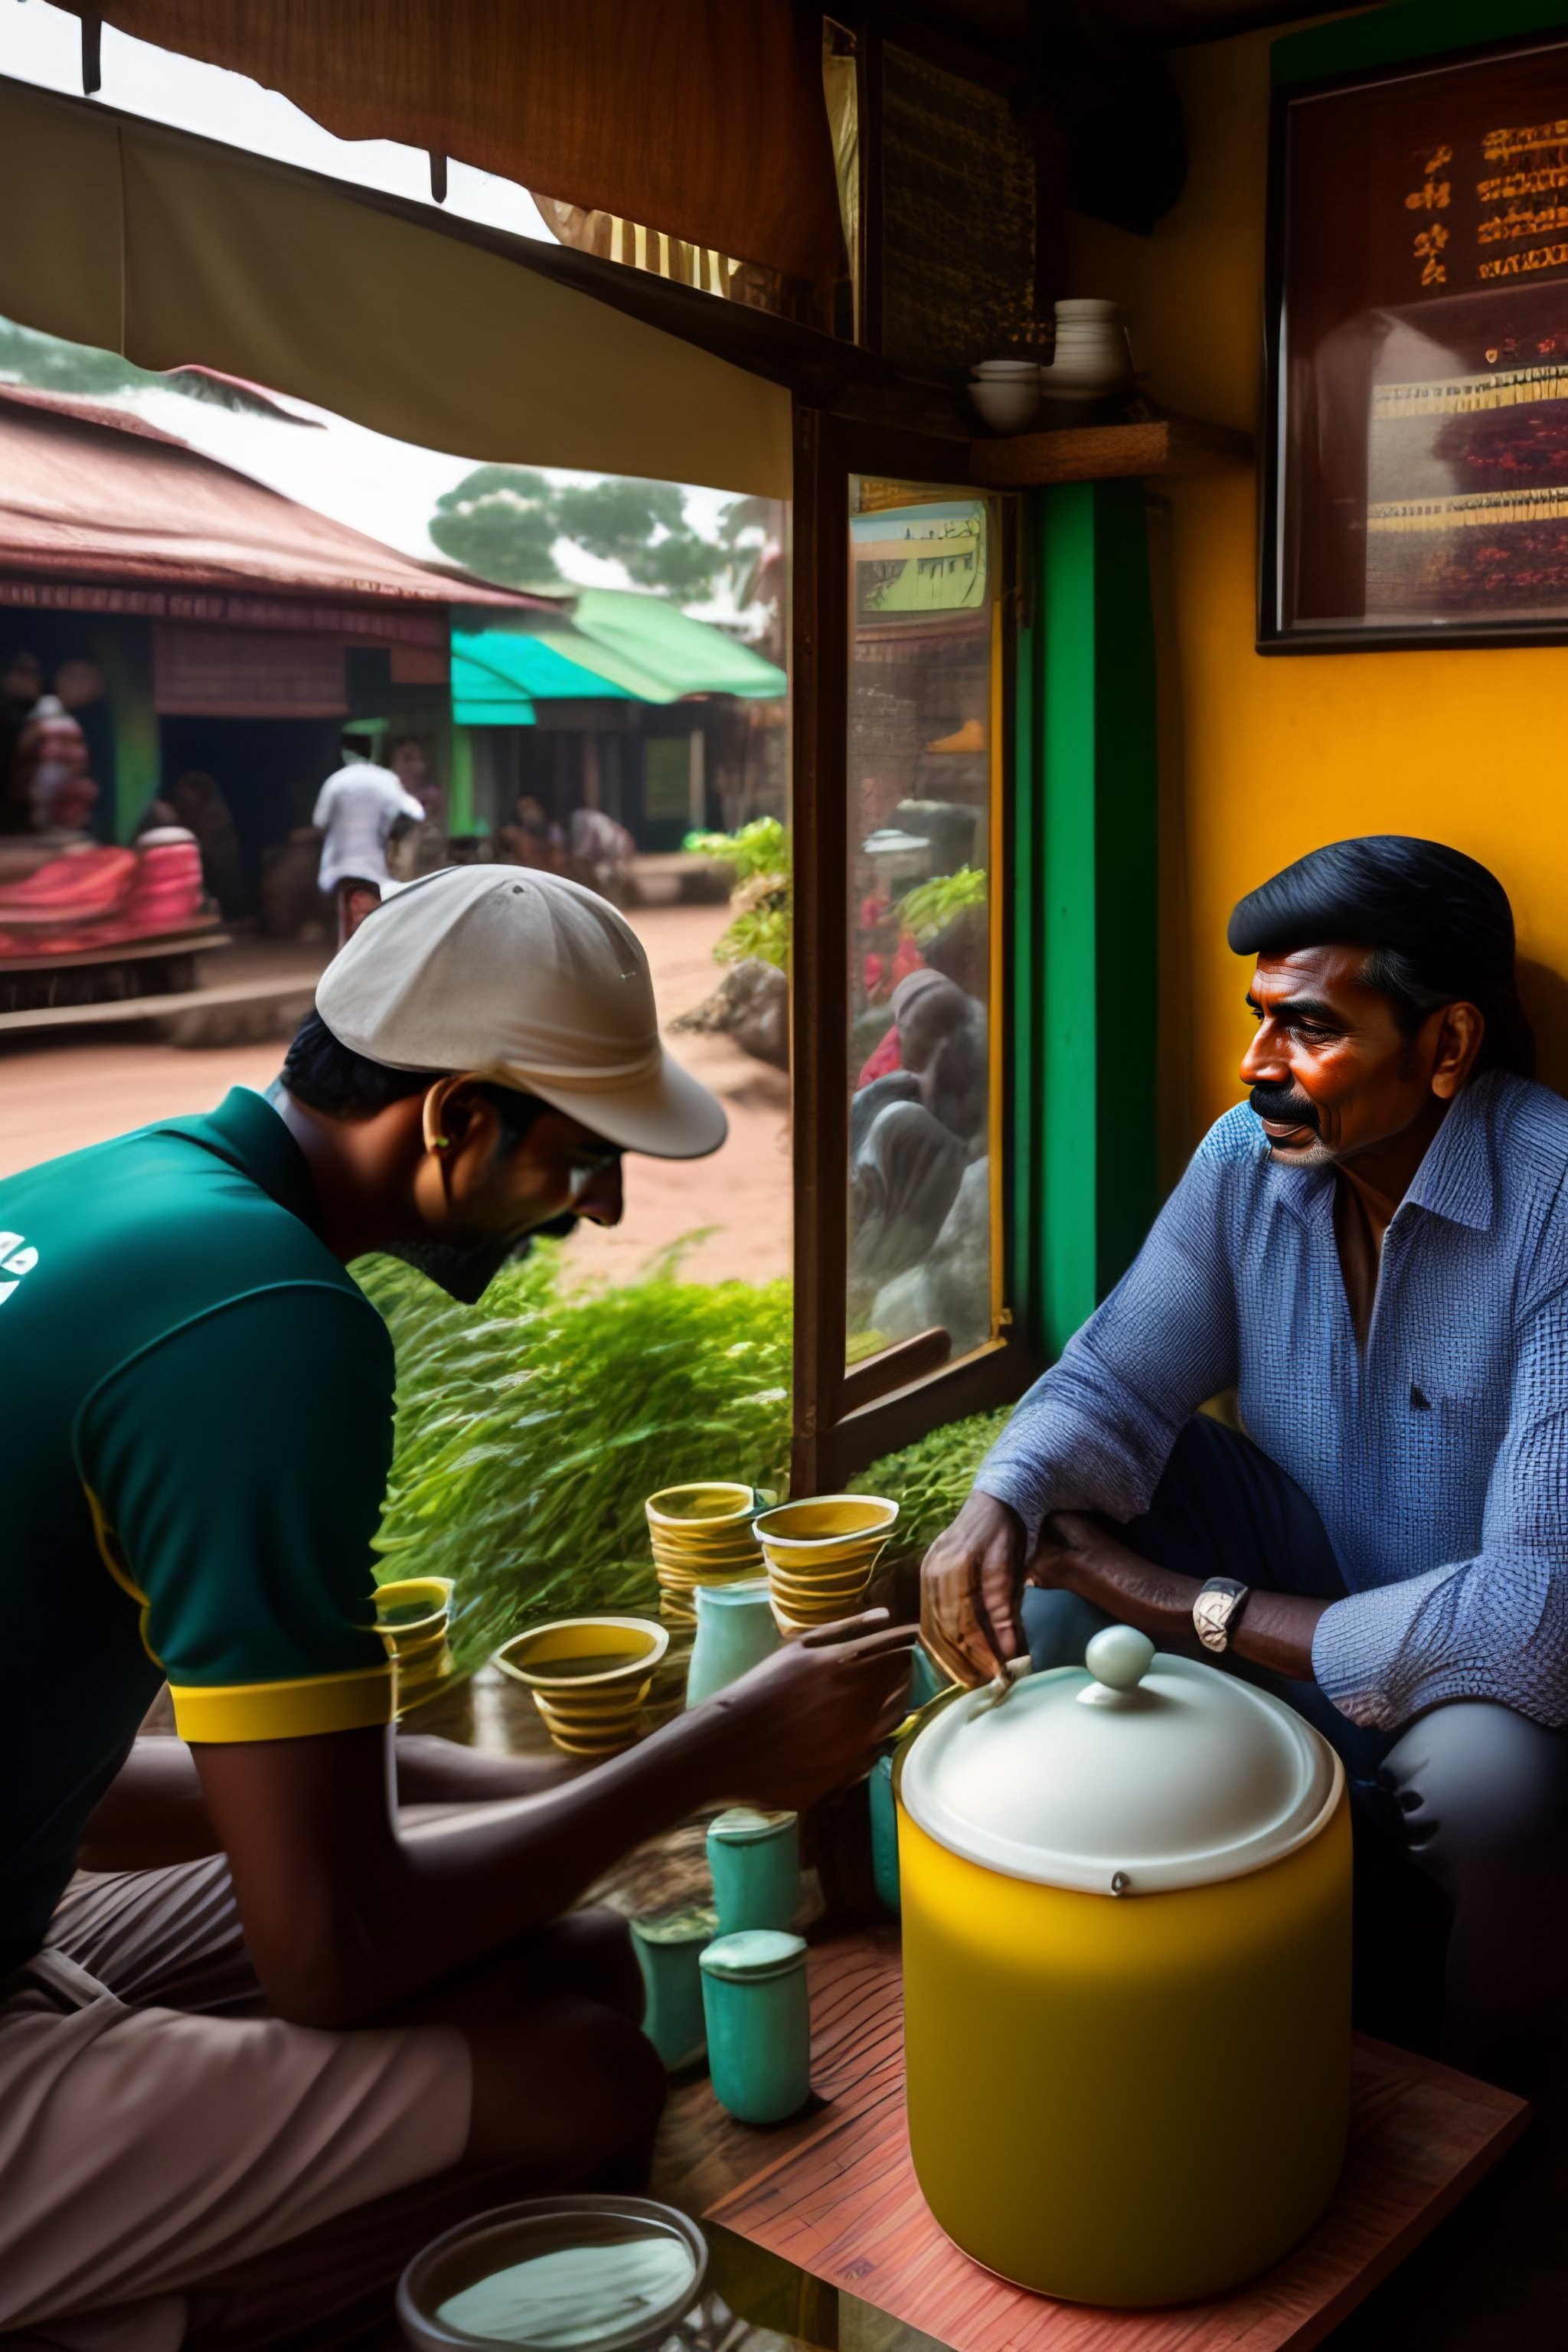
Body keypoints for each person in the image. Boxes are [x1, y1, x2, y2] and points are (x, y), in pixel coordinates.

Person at [0, 864, 913, 2348]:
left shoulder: (106, 1197)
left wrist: (583, 1782)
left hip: (27, 1908)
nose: (605, 1205)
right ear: (452, 1118)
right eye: (584, 1157)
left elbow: (85, 1797)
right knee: (584, 2083)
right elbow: (331, 1954)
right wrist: (710, 1757)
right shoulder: (268, 1325)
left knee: (569, 1959)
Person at [923, 835, 1568, 2086]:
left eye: (1307, 1029)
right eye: (1255, 1018)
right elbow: (1114, 1375)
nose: (1252, 1065)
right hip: (1299, 1553)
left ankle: (1482, 2128)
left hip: (1472, 1659)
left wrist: (1177, 1604)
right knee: (1039, 1541)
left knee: (1498, 1796)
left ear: (1444, 1048)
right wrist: (992, 1504)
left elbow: (1533, 1614)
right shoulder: (1244, 1154)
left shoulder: (1555, 1201)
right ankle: (1093, 1974)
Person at [312, 756, 425, 942]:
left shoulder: (336, 781)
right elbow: (416, 812)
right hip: (375, 868)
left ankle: (347, 957)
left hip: (341, 866)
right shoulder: (386, 781)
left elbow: (320, 820)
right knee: (375, 922)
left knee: (347, 924)